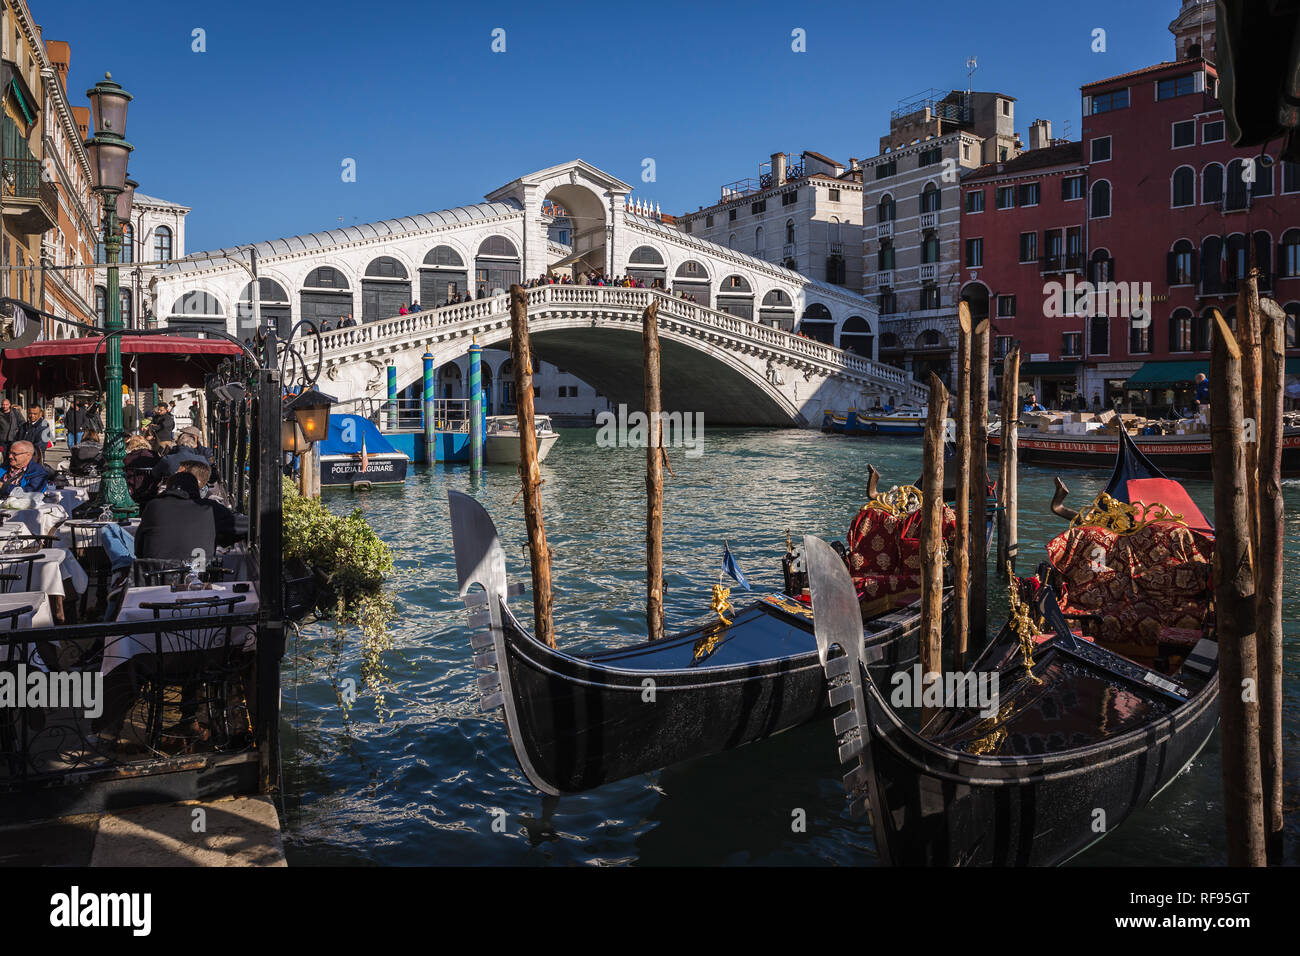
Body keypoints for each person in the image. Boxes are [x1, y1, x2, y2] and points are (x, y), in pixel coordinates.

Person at [134, 462, 243, 566]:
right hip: (198, 576)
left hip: (156, 578)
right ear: (197, 489)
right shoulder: (209, 508)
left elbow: (138, 549)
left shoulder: (154, 506)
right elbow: (243, 526)